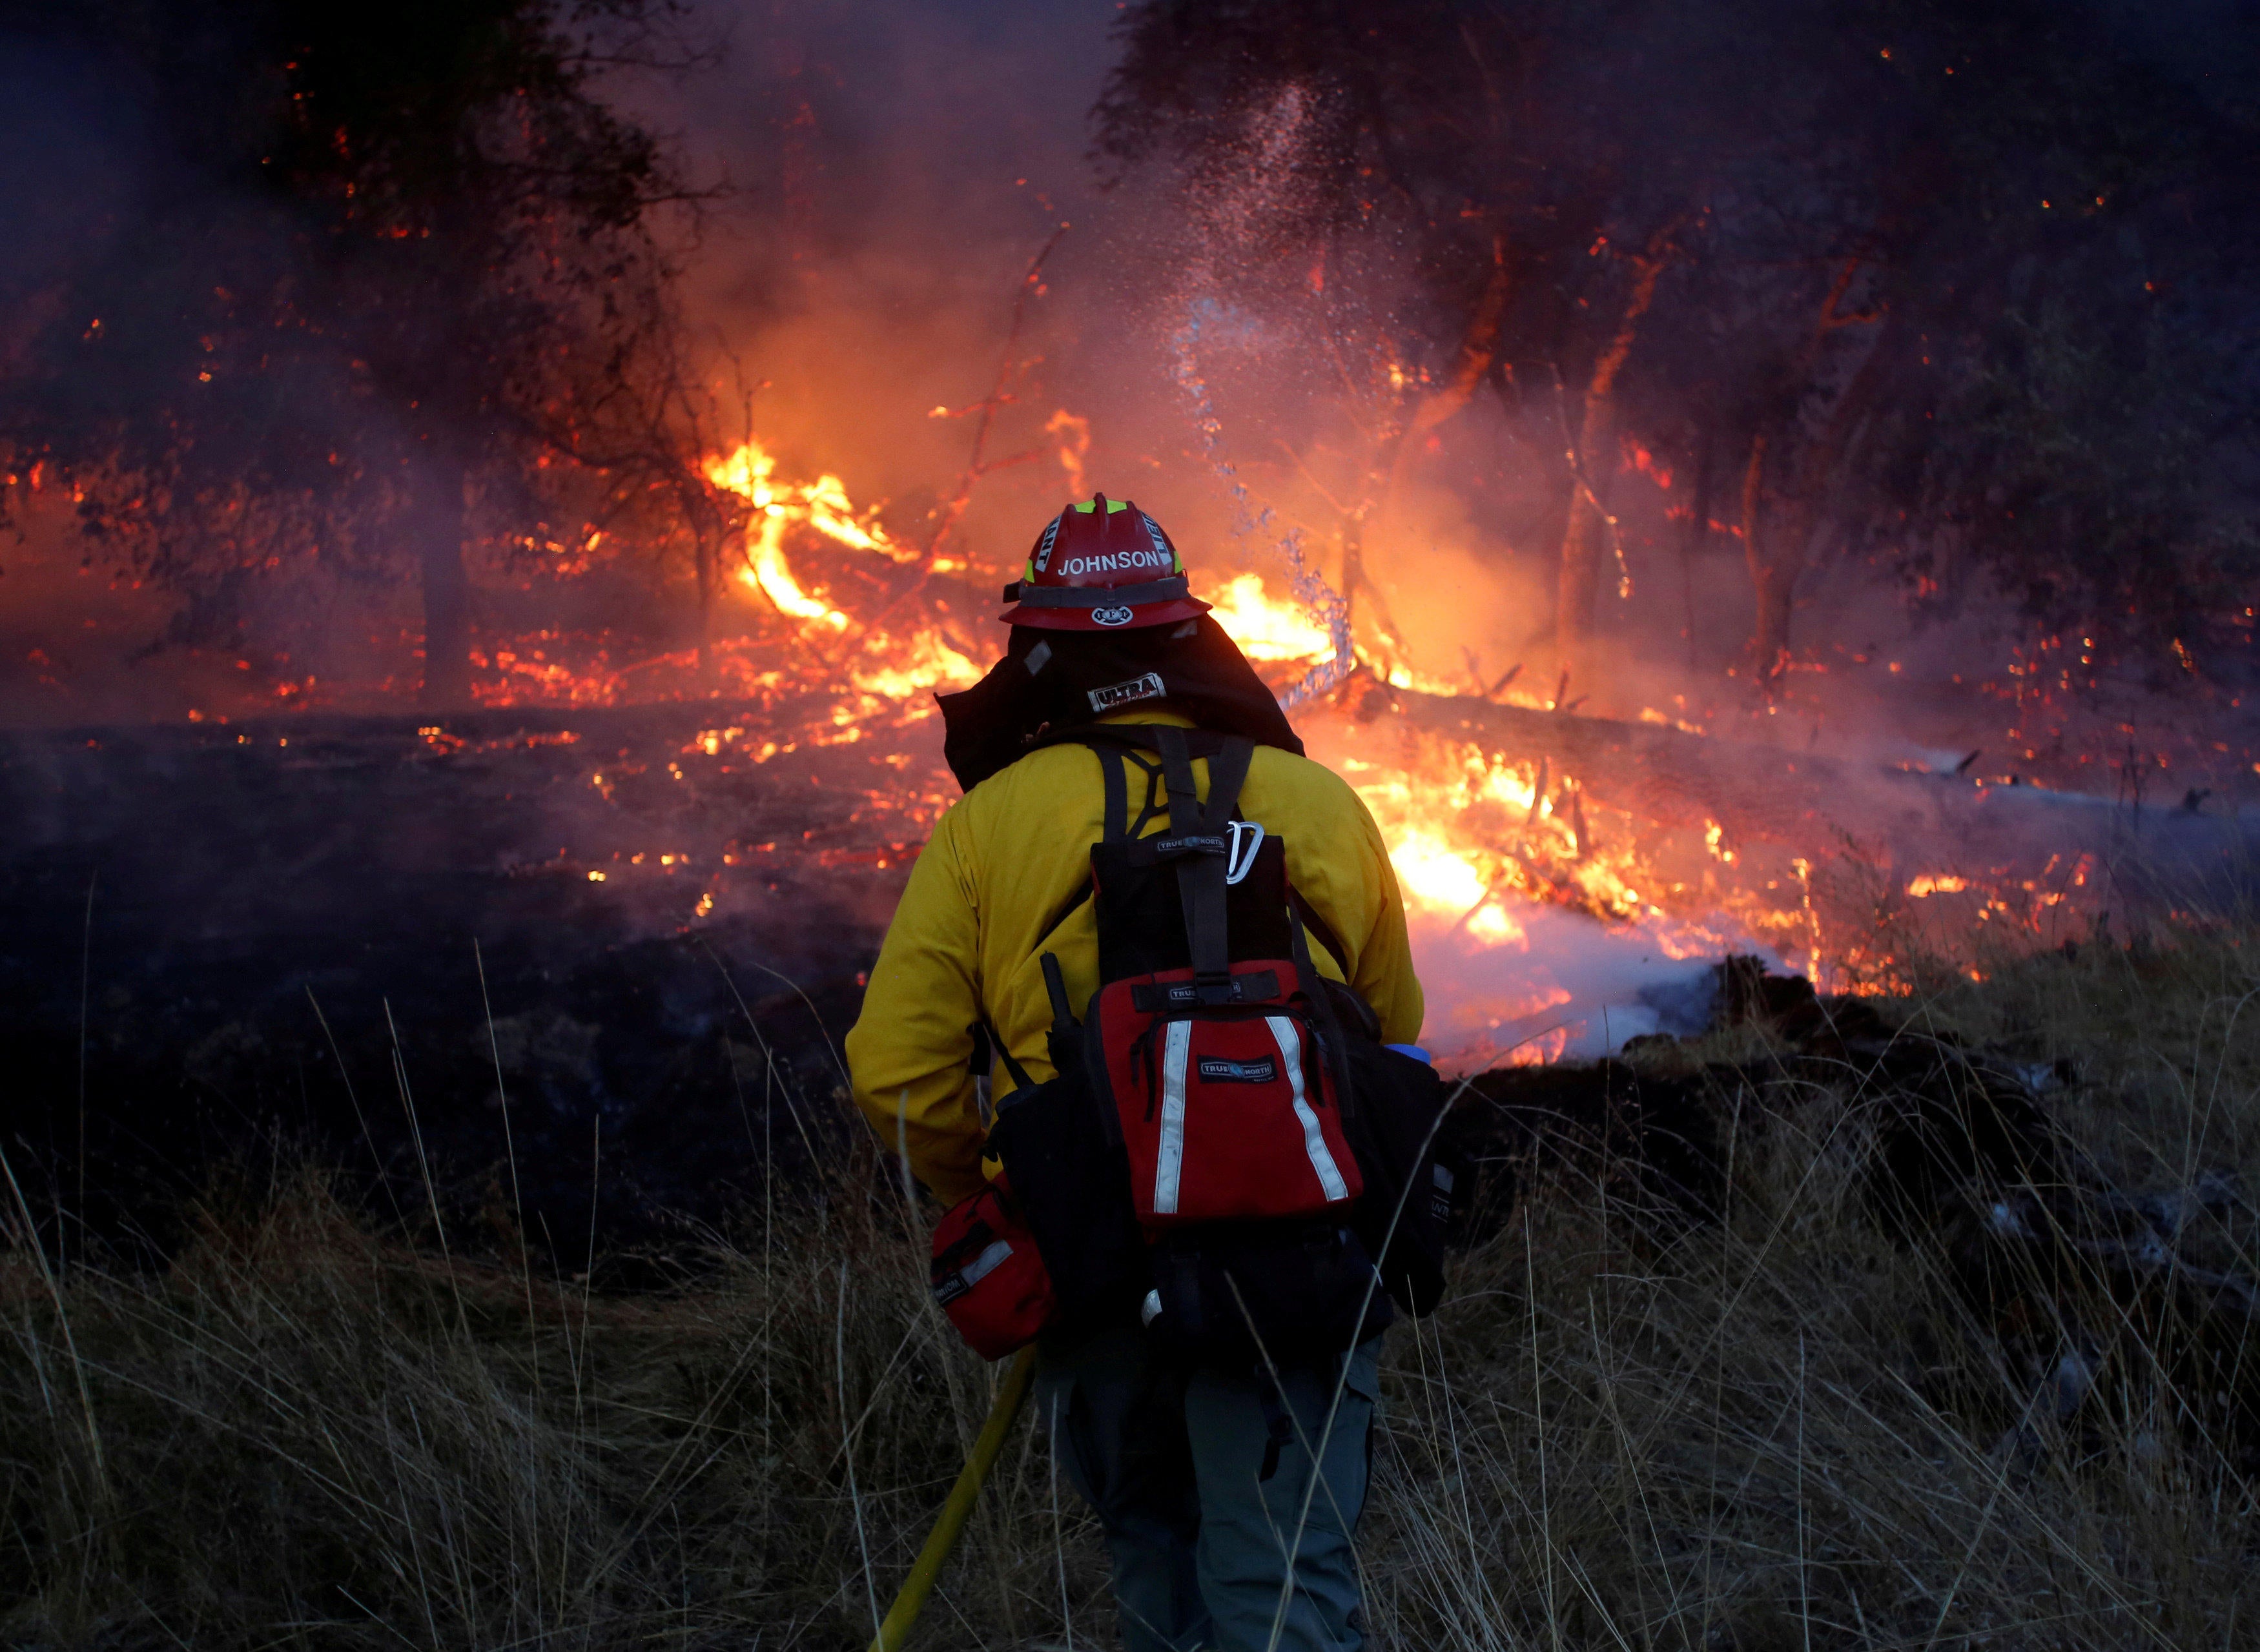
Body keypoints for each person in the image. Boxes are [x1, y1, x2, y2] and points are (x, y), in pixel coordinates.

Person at [847, 493, 1424, 1652]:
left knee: (1153, 1558)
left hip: (1093, 1257)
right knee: (1289, 1580)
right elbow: (1397, 1037)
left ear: (1041, 650)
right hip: (1300, 1260)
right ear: (1189, 638)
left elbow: (897, 1077)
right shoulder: (1321, 805)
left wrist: (1007, 1187)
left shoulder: (986, 827)